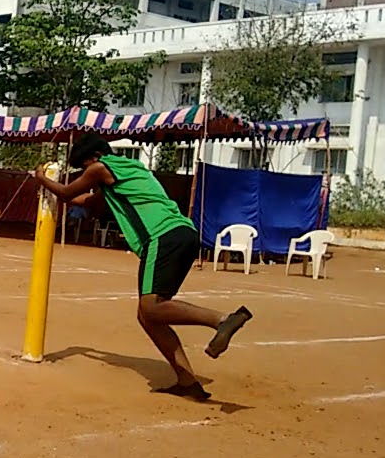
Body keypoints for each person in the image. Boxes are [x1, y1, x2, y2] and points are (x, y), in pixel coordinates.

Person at [31, 133, 254, 400]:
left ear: (93, 158)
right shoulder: (131, 169)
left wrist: (42, 178)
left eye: (83, 167)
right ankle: (186, 380)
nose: (84, 173)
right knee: (148, 316)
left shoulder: (101, 168)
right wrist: (53, 194)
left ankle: (222, 320)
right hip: (182, 234)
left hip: (161, 237)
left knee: (151, 306)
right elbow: (93, 203)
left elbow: (67, 192)